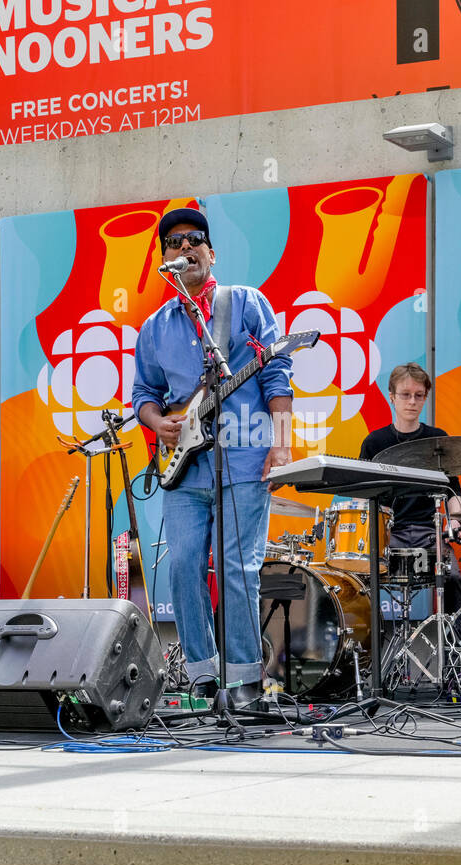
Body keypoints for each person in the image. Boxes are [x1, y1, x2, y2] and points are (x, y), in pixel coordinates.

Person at [132, 209, 294, 707]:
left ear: (211, 252)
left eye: (195, 239)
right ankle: (203, 679)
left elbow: (276, 371)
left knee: (235, 569)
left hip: (244, 459)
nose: (186, 247)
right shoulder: (154, 328)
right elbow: (144, 394)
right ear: (164, 258)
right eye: (175, 242)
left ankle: (245, 683)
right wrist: (159, 424)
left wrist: (282, 443)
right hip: (185, 469)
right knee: (181, 565)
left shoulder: (245, 304)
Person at [360, 363, 461, 617]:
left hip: (429, 535)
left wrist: (453, 523)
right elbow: (363, 500)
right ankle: (367, 652)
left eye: (419, 395)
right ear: (392, 397)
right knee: (359, 584)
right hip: (386, 537)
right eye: (405, 395)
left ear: (425, 398)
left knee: (451, 578)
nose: (412, 401)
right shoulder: (374, 443)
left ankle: (457, 650)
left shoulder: (437, 441)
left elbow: (454, 494)